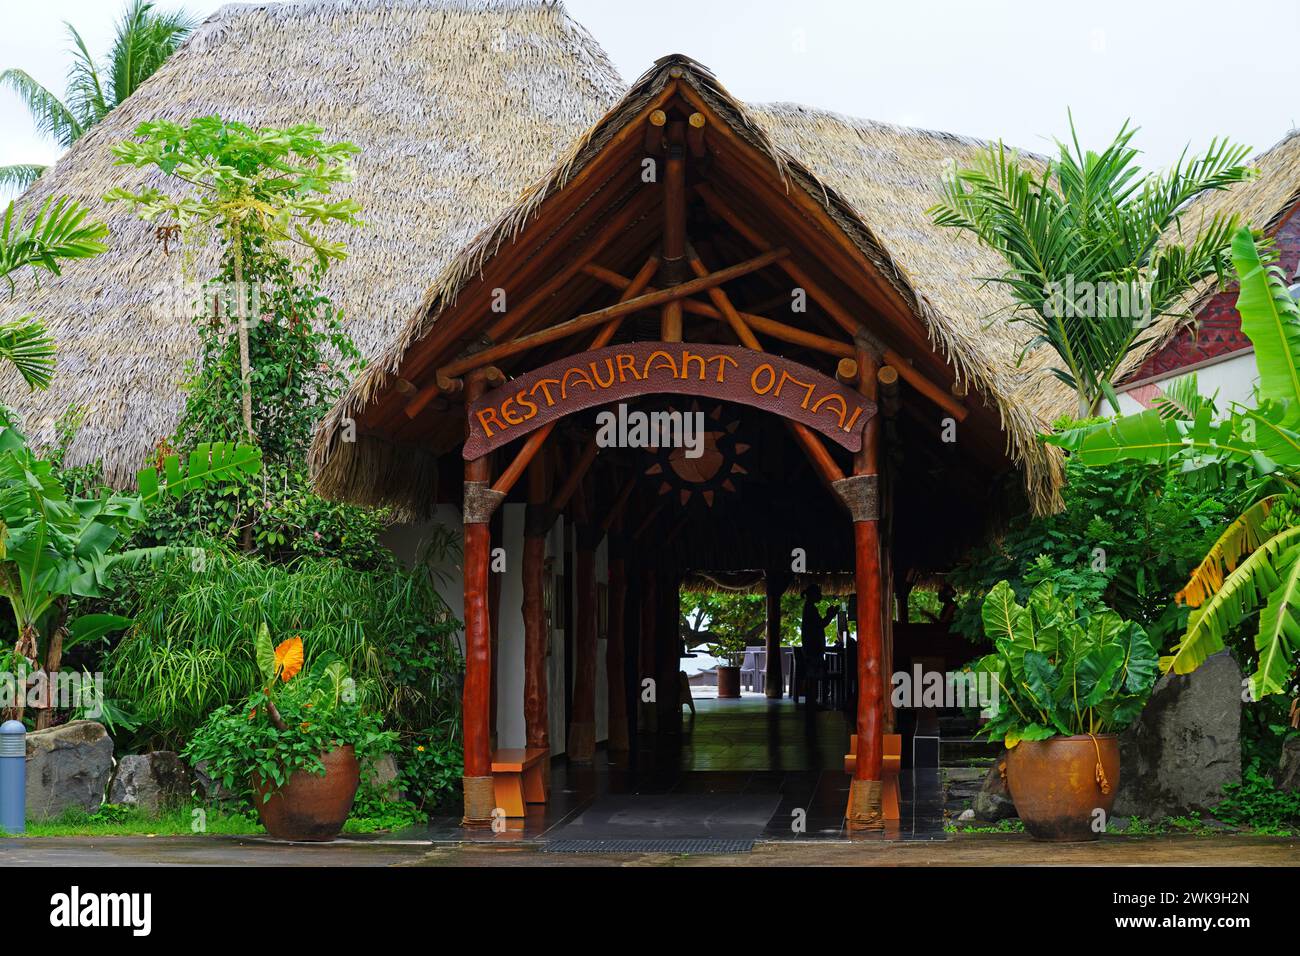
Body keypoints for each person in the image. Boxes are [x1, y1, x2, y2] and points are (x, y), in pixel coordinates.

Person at [800, 584, 838, 706]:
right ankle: (815, 701)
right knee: (815, 674)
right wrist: (830, 615)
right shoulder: (810, 609)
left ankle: (812, 701)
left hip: (811, 647)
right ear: (813, 595)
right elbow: (820, 625)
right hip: (813, 648)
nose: (820, 595)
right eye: (818, 593)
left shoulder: (809, 608)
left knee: (813, 674)